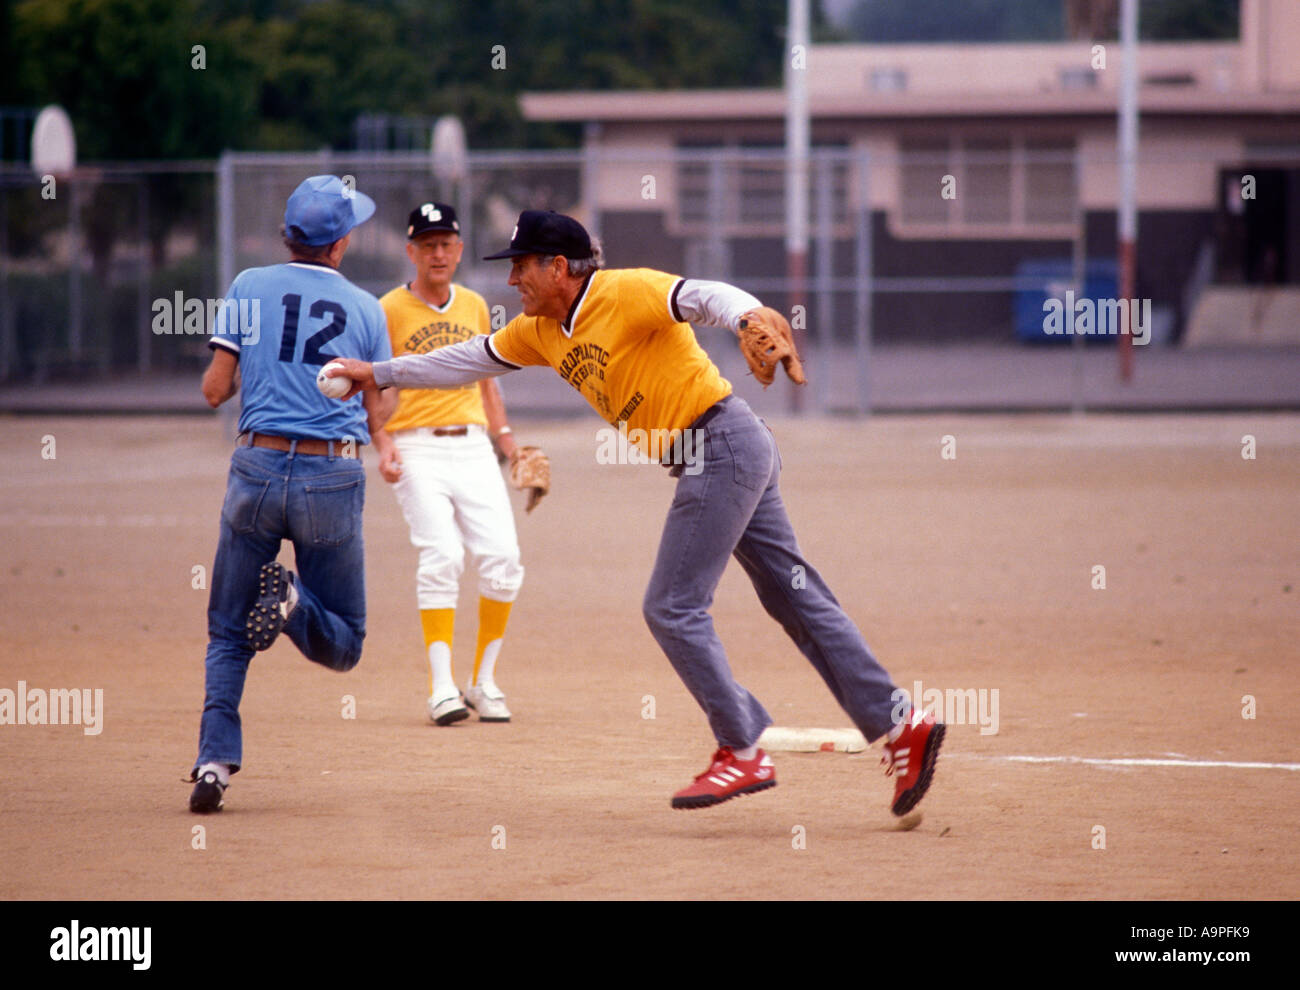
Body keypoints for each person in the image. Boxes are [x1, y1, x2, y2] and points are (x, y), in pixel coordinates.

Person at [326, 210, 944, 815]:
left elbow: (701, 295)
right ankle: (901, 726)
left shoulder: (622, 290)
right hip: (725, 450)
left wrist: (747, 315)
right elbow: (466, 358)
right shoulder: (539, 330)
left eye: (521, 267)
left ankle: (741, 745)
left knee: (672, 607)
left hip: (719, 444)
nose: (512, 281)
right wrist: (376, 372)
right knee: (793, 596)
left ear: (559, 266)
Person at [189, 174, 396, 814]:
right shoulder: (366, 307)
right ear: (340, 243)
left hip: (256, 465)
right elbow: (379, 408)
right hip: (330, 474)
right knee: (348, 642)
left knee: (226, 632)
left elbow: (215, 391)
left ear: (288, 236)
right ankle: (294, 608)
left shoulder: (249, 287)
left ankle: (213, 764)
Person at [371, 202, 535, 726]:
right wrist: (382, 443)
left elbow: (488, 382)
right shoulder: (387, 310)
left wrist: (508, 444)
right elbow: (372, 382)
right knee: (442, 554)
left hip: (472, 447)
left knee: (505, 560)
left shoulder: (475, 305)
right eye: (428, 244)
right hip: (415, 445)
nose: (438, 253)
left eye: (447, 244)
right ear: (411, 252)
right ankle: (440, 685)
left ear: (460, 250)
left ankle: (483, 682)